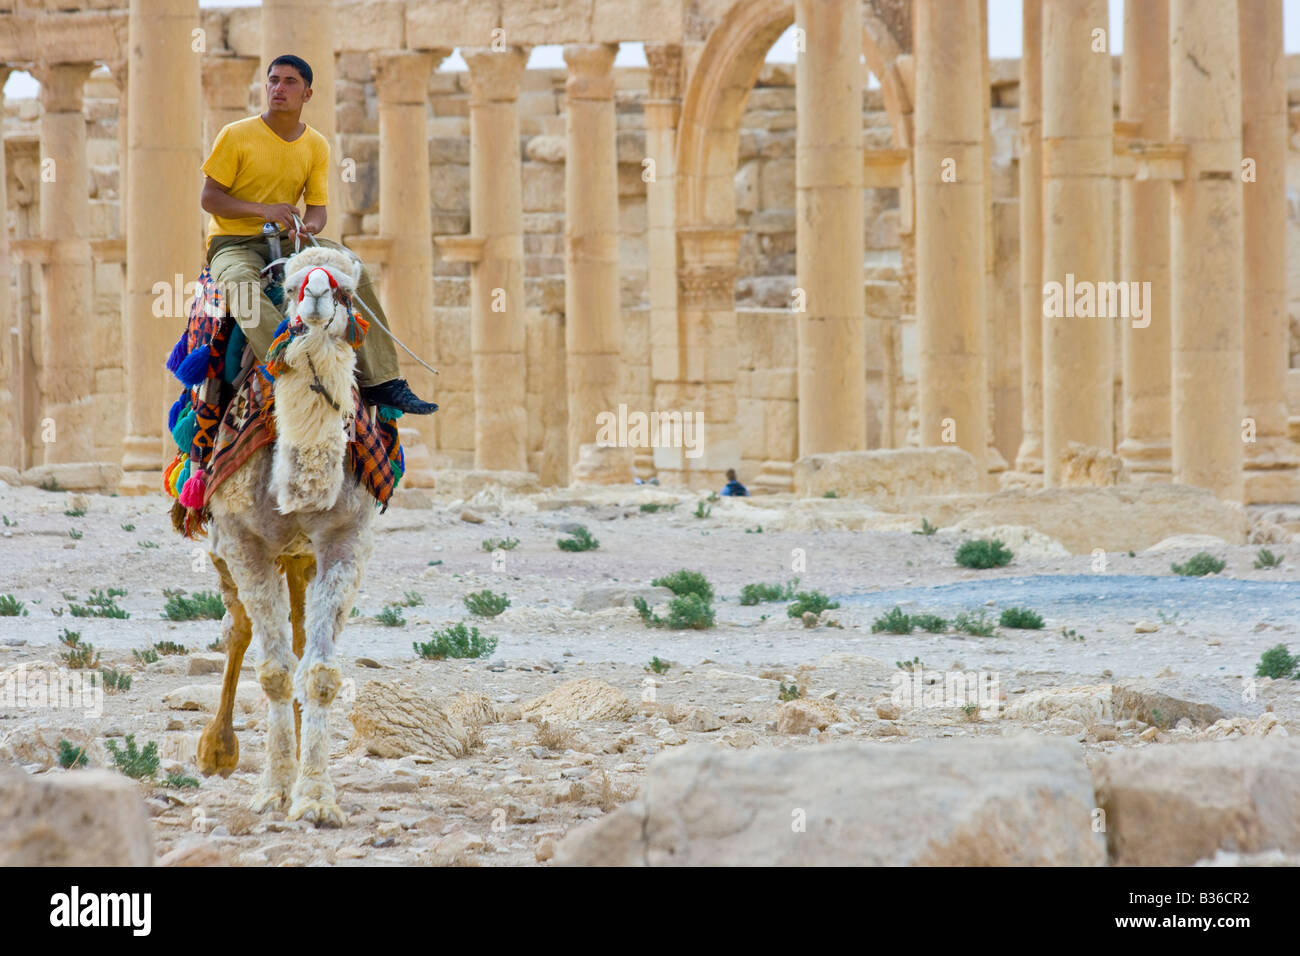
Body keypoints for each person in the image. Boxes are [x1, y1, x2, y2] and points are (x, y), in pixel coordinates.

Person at [199, 53, 436, 414]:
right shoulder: (235, 135)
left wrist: (310, 227)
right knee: (241, 286)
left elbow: (318, 209)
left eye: (290, 82)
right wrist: (264, 210)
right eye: (273, 80)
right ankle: (291, 363)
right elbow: (210, 198)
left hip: (287, 238)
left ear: (307, 94)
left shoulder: (317, 145)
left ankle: (384, 380)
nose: (279, 88)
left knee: (351, 265)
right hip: (233, 242)